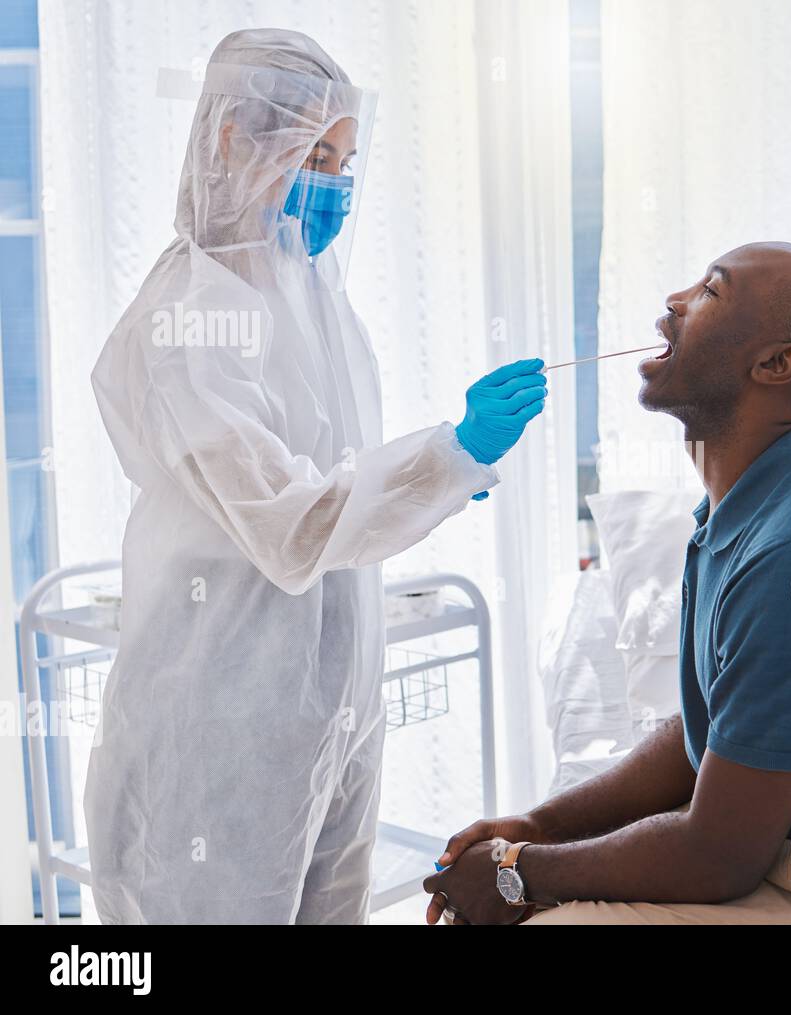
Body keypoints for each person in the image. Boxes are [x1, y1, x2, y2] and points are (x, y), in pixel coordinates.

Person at [86, 28, 546, 924]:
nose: (333, 182)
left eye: (345, 159)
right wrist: (449, 455)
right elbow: (292, 522)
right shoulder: (189, 319)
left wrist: (443, 472)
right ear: (232, 142)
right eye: (313, 154)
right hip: (217, 722)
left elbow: (338, 483)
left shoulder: (316, 294)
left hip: (331, 708)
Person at [424, 242, 791, 925]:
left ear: (778, 362)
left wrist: (517, 876)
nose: (674, 300)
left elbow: (718, 854)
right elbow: (710, 739)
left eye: (711, 292)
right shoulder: (749, 509)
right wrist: (538, 826)